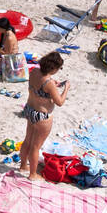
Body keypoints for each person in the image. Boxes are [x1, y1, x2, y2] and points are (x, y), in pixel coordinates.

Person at [19, 52, 67, 181]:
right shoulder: (49, 83)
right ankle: (33, 174)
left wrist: (52, 84)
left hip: (30, 110)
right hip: (42, 116)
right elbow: (60, 102)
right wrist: (66, 88)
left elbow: (39, 85)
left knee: (27, 140)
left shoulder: (34, 71)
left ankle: (23, 165)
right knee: (36, 146)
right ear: (53, 68)